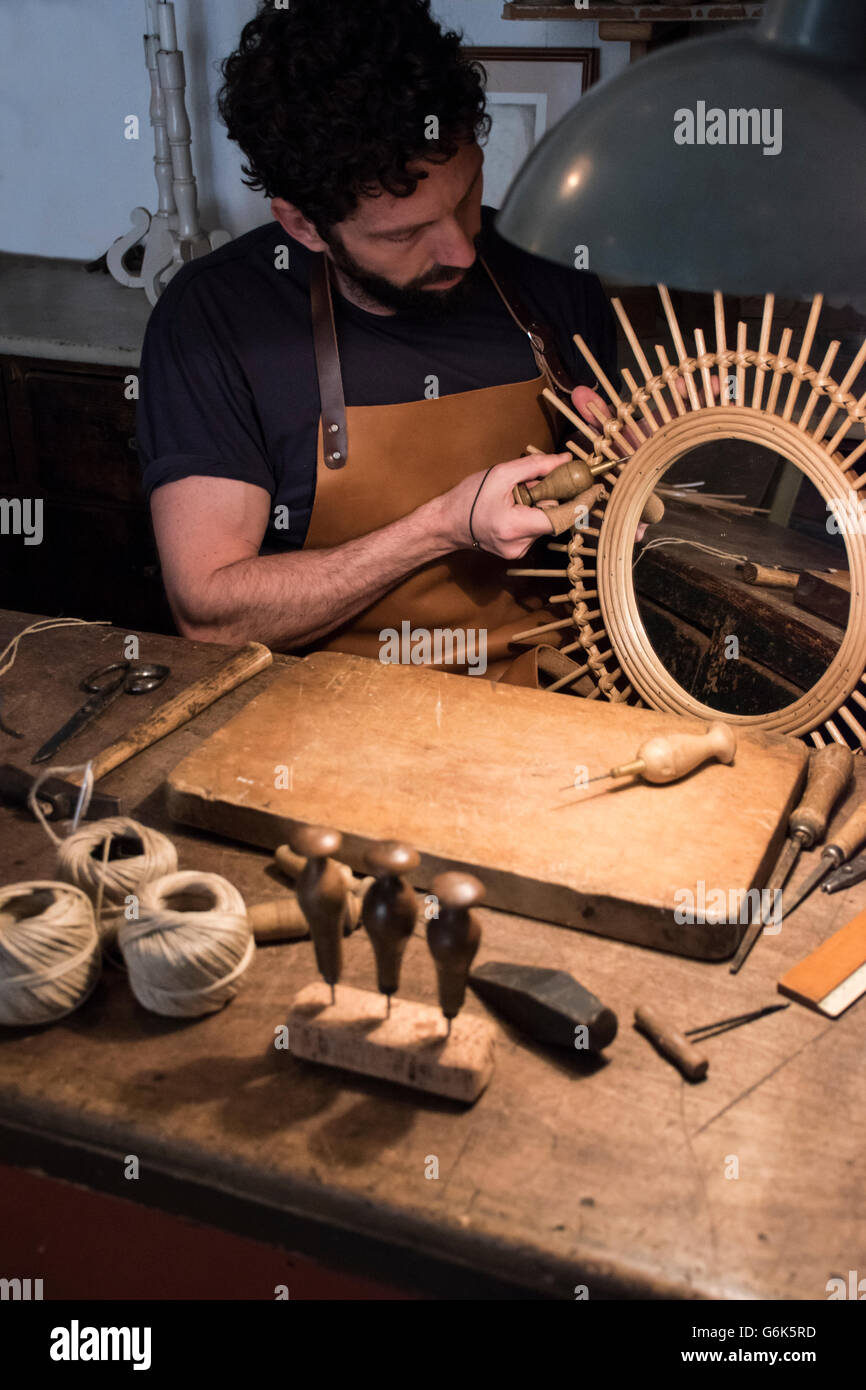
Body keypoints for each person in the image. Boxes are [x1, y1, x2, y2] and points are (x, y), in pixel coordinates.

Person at [137, 0, 619, 685]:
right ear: (304, 227)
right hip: (330, 722)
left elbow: (614, 524)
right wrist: (442, 528)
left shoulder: (549, 276)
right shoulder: (215, 320)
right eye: (403, 234)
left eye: (466, 196)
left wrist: (649, 460)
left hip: (553, 698)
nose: (459, 249)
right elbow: (213, 616)